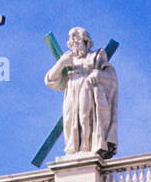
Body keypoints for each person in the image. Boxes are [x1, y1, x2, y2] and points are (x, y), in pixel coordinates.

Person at [45, 27, 118, 158]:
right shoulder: (68, 58)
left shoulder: (96, 55)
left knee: (85, 117)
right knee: (69, 119)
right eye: (72, 41)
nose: (74, 43)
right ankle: (72, 149)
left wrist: (97, 73)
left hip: (88, 87)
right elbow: (50, 80)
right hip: (71, 89)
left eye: (77, 40)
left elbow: (111, 76)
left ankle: (85, 148)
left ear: (85, 41)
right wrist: (61, 63)